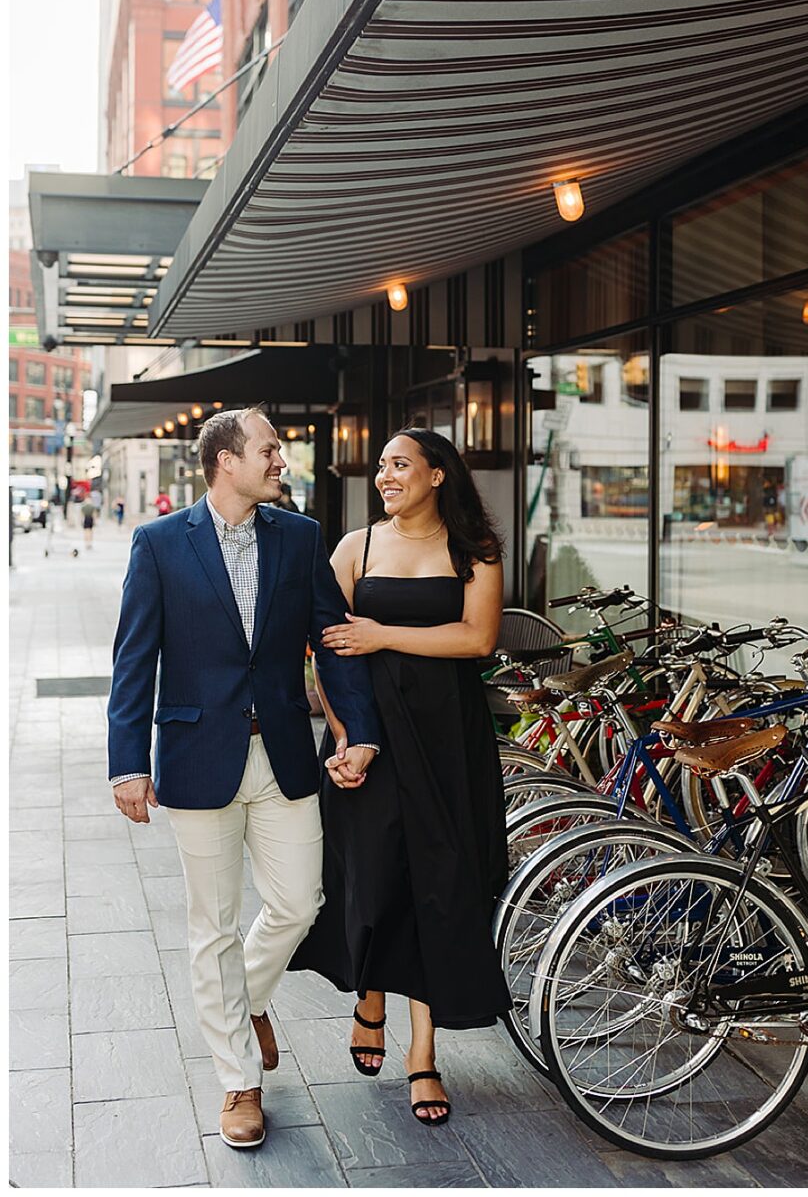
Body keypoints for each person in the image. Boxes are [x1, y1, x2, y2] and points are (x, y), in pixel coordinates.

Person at [108, 407, 381, 1152]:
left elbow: (332, 642)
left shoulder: (300, 537)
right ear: (226, 461)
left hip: (283, 752)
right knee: (213, 924)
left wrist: (357, 730)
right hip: (197, 756)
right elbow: (134, 659)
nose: (280, 461)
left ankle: (247, 998)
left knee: (299, 902)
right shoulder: (160, 543)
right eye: (269, 450)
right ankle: (238, 1080)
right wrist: (127, 761)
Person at [291, 428, 510, 1125]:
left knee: (437, 888)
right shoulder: (354, 548)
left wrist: (383, 633)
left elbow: (477, 638)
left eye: (400, 464)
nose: (386, 476)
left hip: (448, 742)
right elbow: (326, 651)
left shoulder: (475, 550)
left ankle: (422, 1054)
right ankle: (368, 997)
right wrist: (345, 735)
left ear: (437, 475)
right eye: (382, 465)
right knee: (373, 876)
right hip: (372, 737)